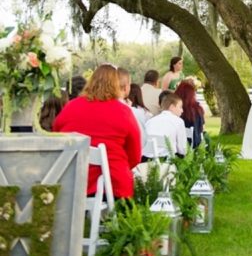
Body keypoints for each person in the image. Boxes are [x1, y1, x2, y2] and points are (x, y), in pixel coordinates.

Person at [53, 63, 142, 199]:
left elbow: (57, 136)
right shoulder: (124, 112)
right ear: (116, 84)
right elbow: (135, 155)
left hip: (73, 181)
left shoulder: (71, 107)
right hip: (113, 185)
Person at [144, 92, 188, 158]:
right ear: (172, 107)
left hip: (145, 159)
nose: (182, 110)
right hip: (166, 160)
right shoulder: (178, 121)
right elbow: (182, 150)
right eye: (180, 107)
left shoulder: (150, 121)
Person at [175, 79, 205, 147]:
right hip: (195, 144)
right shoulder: (198, 110)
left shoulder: (174, 110)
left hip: (176, 145)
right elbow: (202, 129)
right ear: (192, 95)